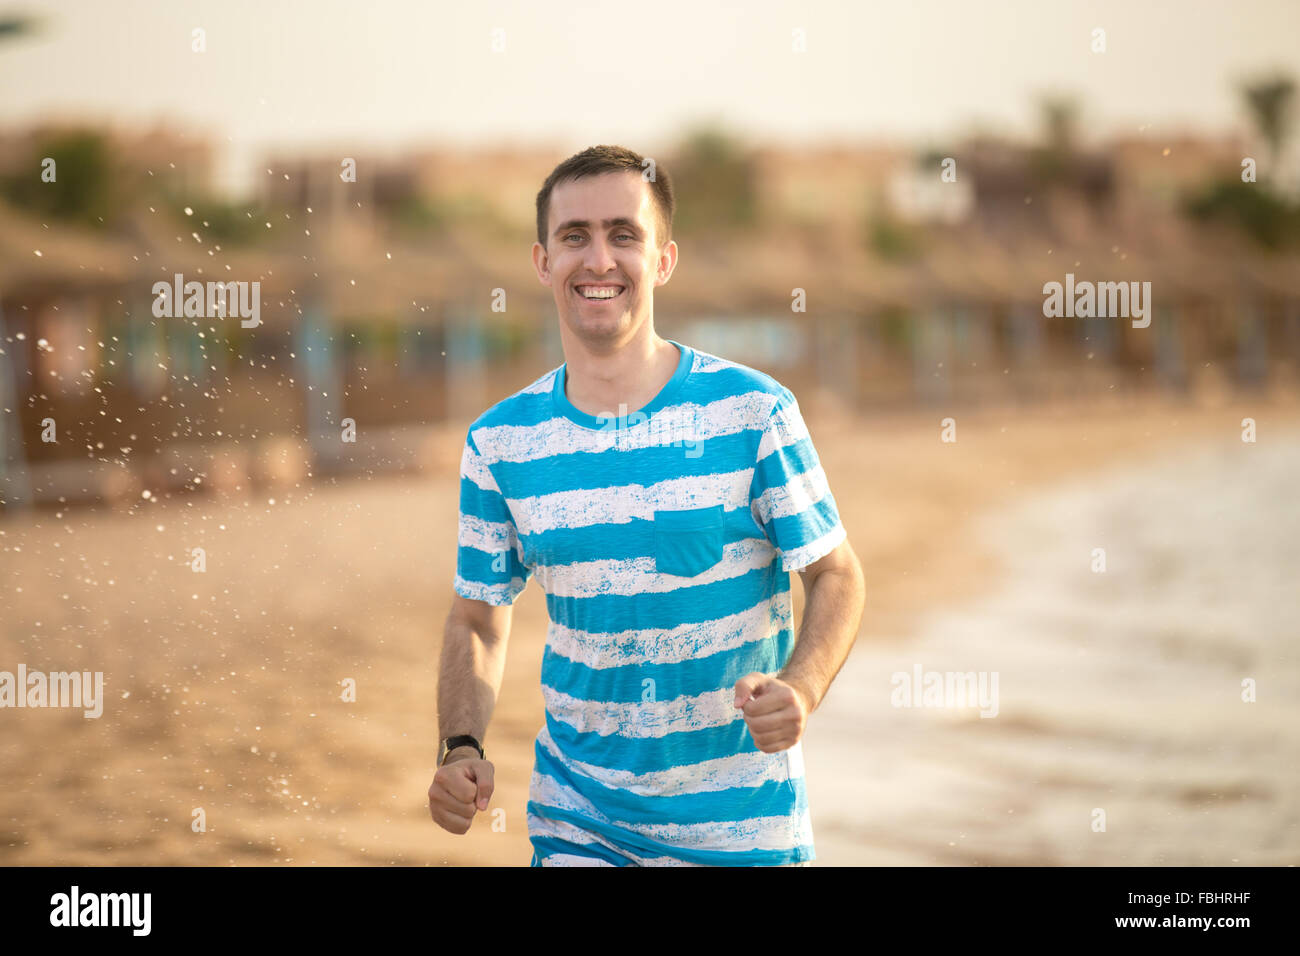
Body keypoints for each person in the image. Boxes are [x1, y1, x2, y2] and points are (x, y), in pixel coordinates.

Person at [427, 144, 865, 866]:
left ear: (662, 260)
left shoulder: (752, 413)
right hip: (578, 825)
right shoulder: (499, 443)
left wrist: (802, 688)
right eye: (575, 237)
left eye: (623, 234)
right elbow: (477, 618)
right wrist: (459, 745)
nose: (598, 259)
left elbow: (837, 574)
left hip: (744, 832)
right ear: (543, 261)